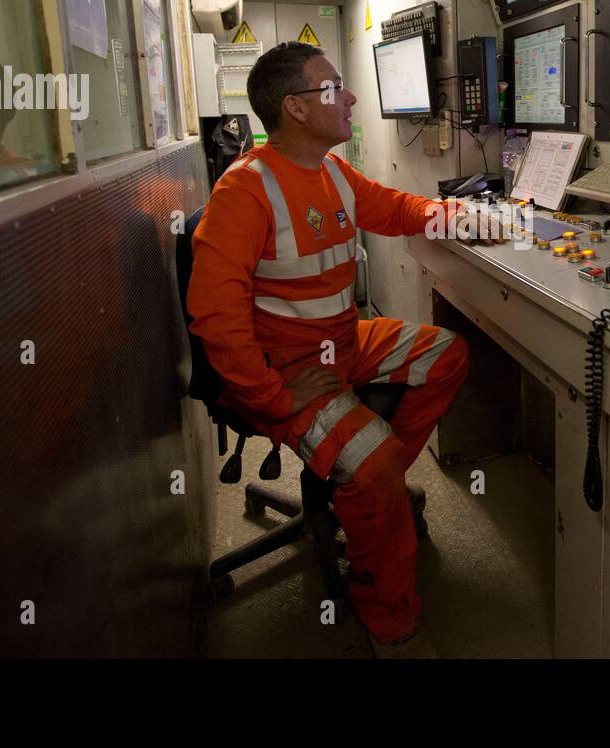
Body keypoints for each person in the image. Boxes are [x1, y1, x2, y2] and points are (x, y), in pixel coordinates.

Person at [187, 40, 496, 657]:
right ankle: (390, 623)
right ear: (296, 110)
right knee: (376, 465)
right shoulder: (244, 191)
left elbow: (395, 208)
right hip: (288, 372)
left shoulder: (331, 172)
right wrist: (274, 397)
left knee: (448, 354)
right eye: (333, 89)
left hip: (342, 344)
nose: (350, 96)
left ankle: (368, 495)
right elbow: (214, 319)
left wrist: (462, 216)